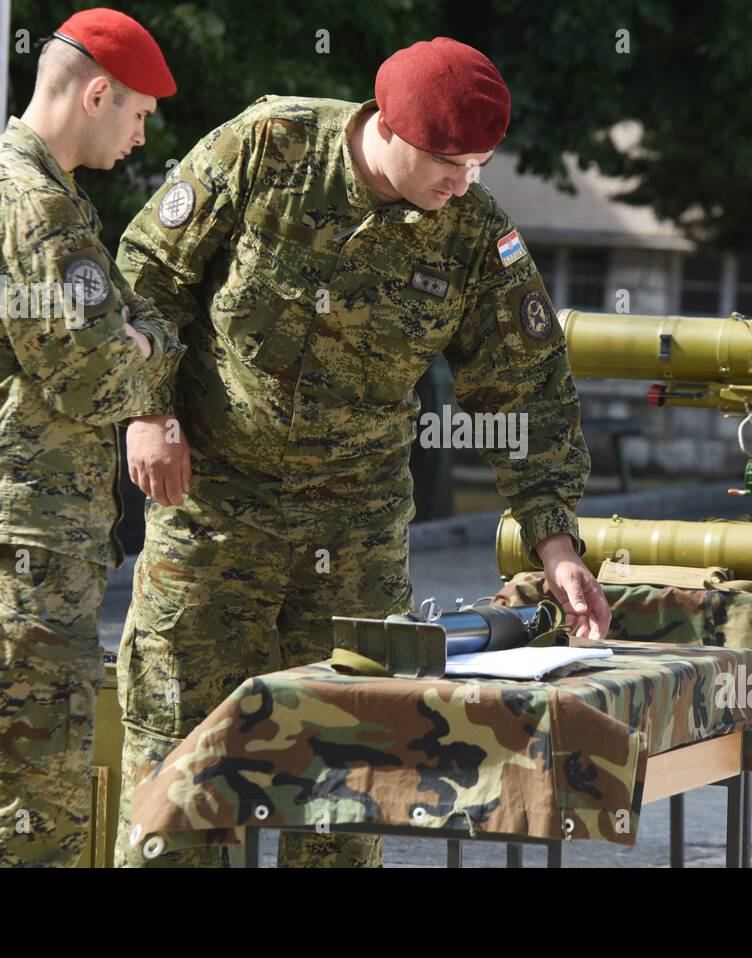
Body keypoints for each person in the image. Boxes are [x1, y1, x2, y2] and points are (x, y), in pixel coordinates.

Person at [114, 37, 610, 868]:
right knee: (180, 770)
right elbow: (147, 273)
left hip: (353, 538)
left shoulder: (473, 235)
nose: (464, 184)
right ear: (389, 127)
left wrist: (556, 545)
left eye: (480, 165)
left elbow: (527, 389)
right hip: (213, 516)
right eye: (449, 162)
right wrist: (145, 413)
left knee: (347, 786)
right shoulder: (269, 147)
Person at [0, 8, 182, 866]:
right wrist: (156, 343)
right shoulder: (28, 205)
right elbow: (97, 373)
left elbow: (112, 339)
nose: (143, 136)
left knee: (47, 800)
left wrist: (133, 334)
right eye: (138, 114)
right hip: (15, 539)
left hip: (33, 539)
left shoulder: (46, 198)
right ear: (97, 92)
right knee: (11, 803)